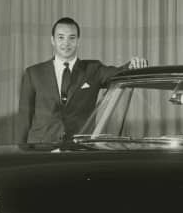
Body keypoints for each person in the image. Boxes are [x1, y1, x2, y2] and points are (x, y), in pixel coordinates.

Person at [15, 17, 149, 144]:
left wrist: (133, 65)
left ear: (78, 41)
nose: (66, 43)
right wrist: (20, 151)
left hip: (78, 149)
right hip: (41, 149)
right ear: (52, 40)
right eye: (61, 37)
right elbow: (24, 117)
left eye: (71, 38)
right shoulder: (34, 73)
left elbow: (119, 74)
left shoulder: (93, 69)